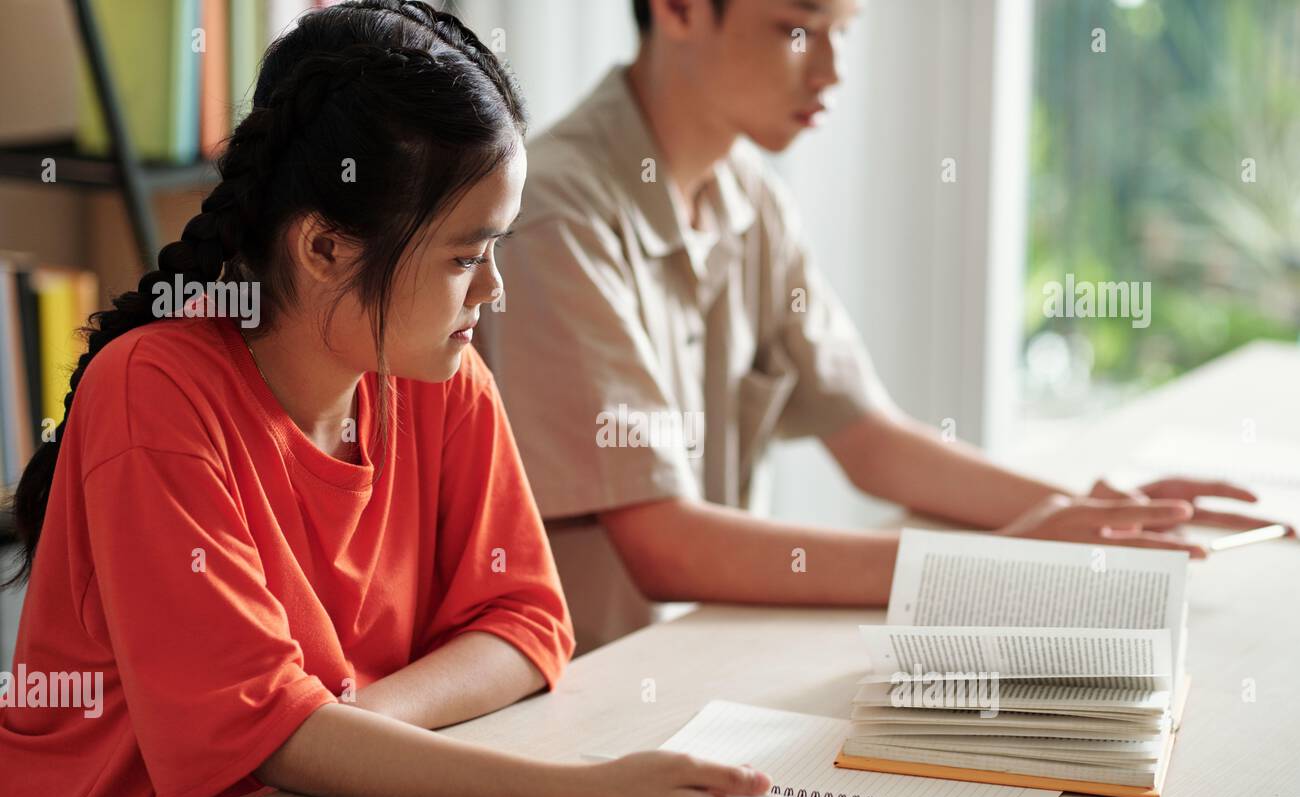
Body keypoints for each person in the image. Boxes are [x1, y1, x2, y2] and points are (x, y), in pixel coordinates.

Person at [0, 0, 802, 797]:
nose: (492, 290)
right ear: (324, 248)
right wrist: (595, 793)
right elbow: (260, 741)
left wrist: (345, 728)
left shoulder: (437, 373)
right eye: (465, 256)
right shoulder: (153, 394)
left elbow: (528, 623)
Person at [481, 0, 1287, 650]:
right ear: (682, 9)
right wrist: (1002, 564)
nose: (831, 71)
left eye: (844, 32)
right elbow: (664, 547)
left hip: (701, 660)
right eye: (799, 28)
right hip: (589, 702)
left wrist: (1105, 516)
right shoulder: (555, 213)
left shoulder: (747, 194)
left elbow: (872, 440)